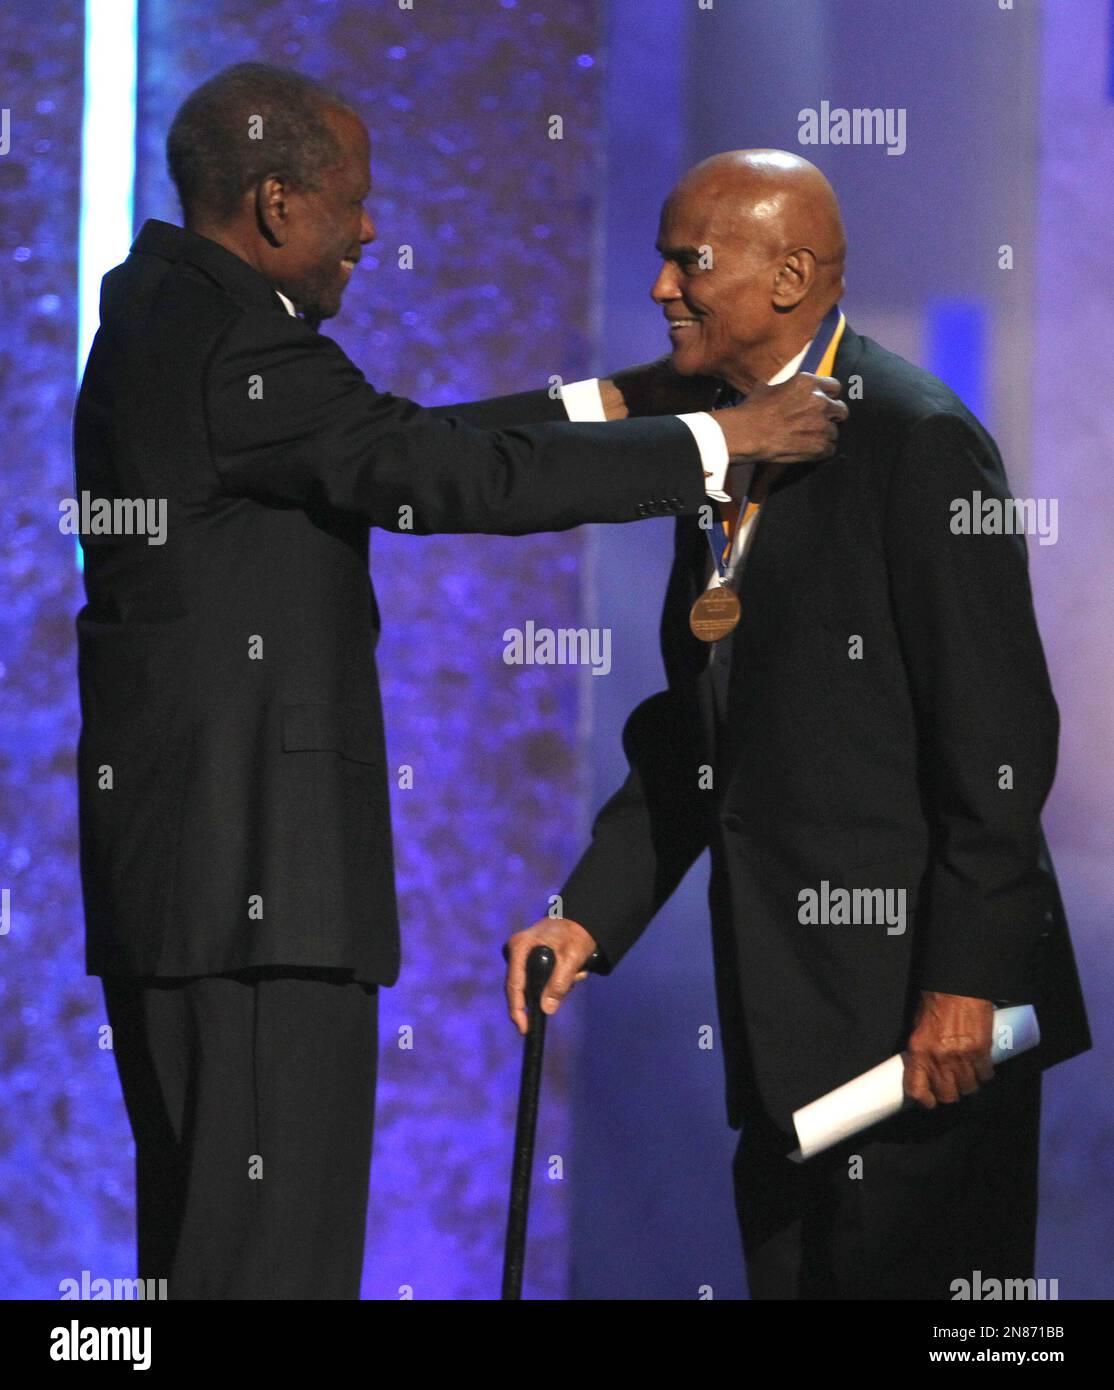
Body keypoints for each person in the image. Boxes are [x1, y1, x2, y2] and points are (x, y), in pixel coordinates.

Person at [74, 68, 846, 1301]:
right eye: (352, 203)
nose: (369, 230)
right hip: (257, 889)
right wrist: (719, 440)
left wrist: (616, 404)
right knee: (270, 1271)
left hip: (196, 888)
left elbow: (397, 438)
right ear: (278, 203)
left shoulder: (174, 316)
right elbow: (432, 476)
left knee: (211, 1260)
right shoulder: (233, 344)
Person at [505, 150, 1091, 1300]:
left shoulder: (913, 439)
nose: (663, 287)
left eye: (689, 261)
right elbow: (698, 731)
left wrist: (963, 984)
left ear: (789, 276)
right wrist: (586, 913)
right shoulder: (727, 440)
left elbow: (1002, 737)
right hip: (786, 1036)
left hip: (923, 1035)